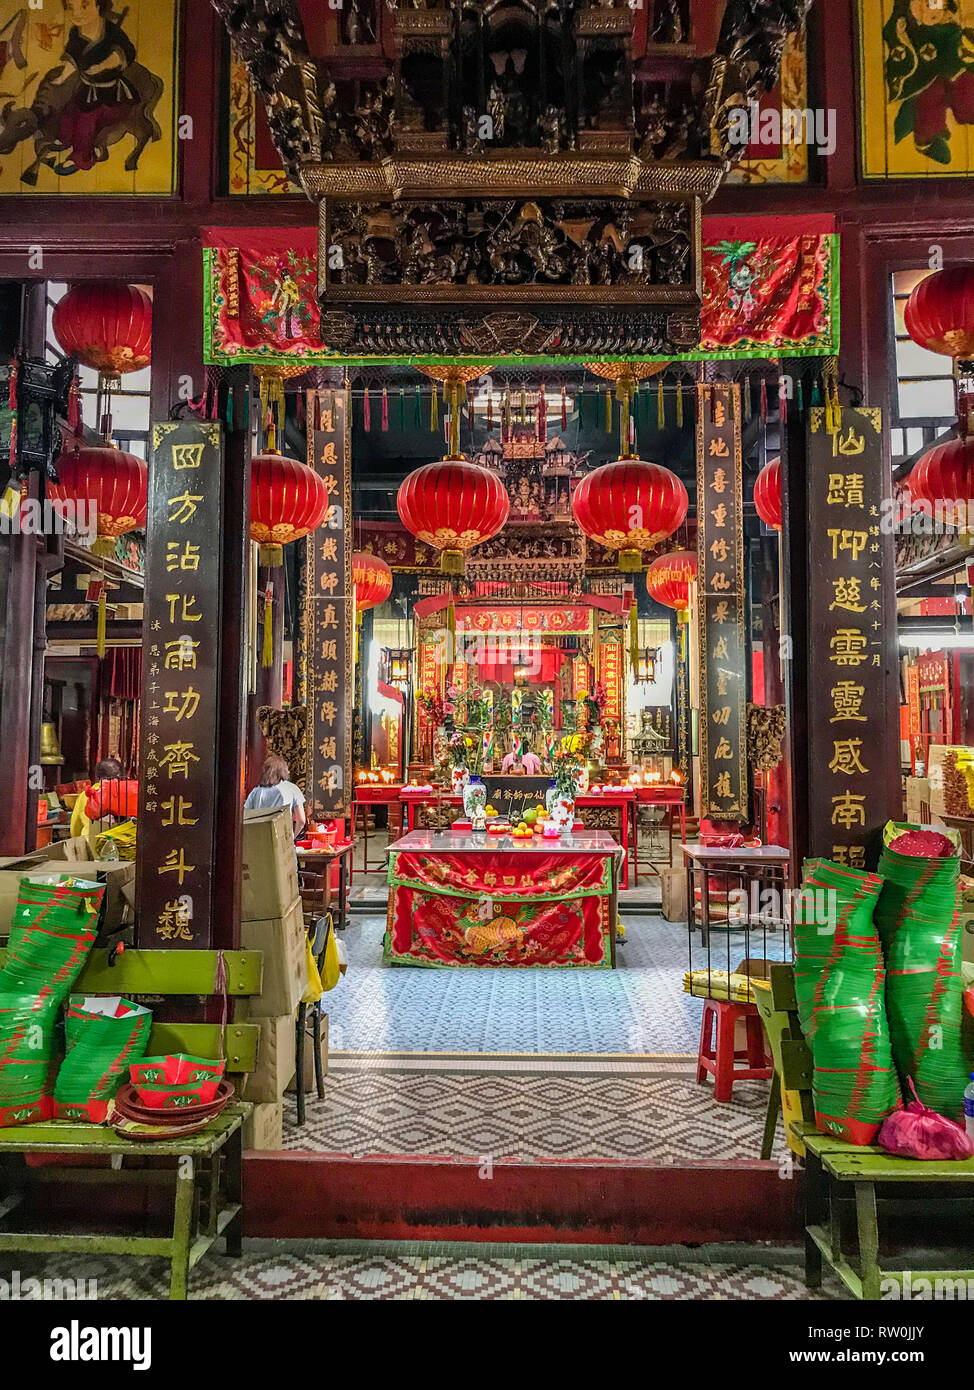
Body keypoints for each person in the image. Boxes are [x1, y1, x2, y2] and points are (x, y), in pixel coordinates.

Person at [244, 755, 306, 838]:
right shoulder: (292, 788)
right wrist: (291, 838)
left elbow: (245, 817)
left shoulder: (256, 791)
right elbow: (301, 821)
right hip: (282, 839)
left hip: (259, 839)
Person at [69, 756, 129, 840]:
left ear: (97, 776)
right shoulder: (125, 794)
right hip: (118, 844)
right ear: (121, 776)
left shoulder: (85, 795)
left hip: (89, 841)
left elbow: (75, 827)